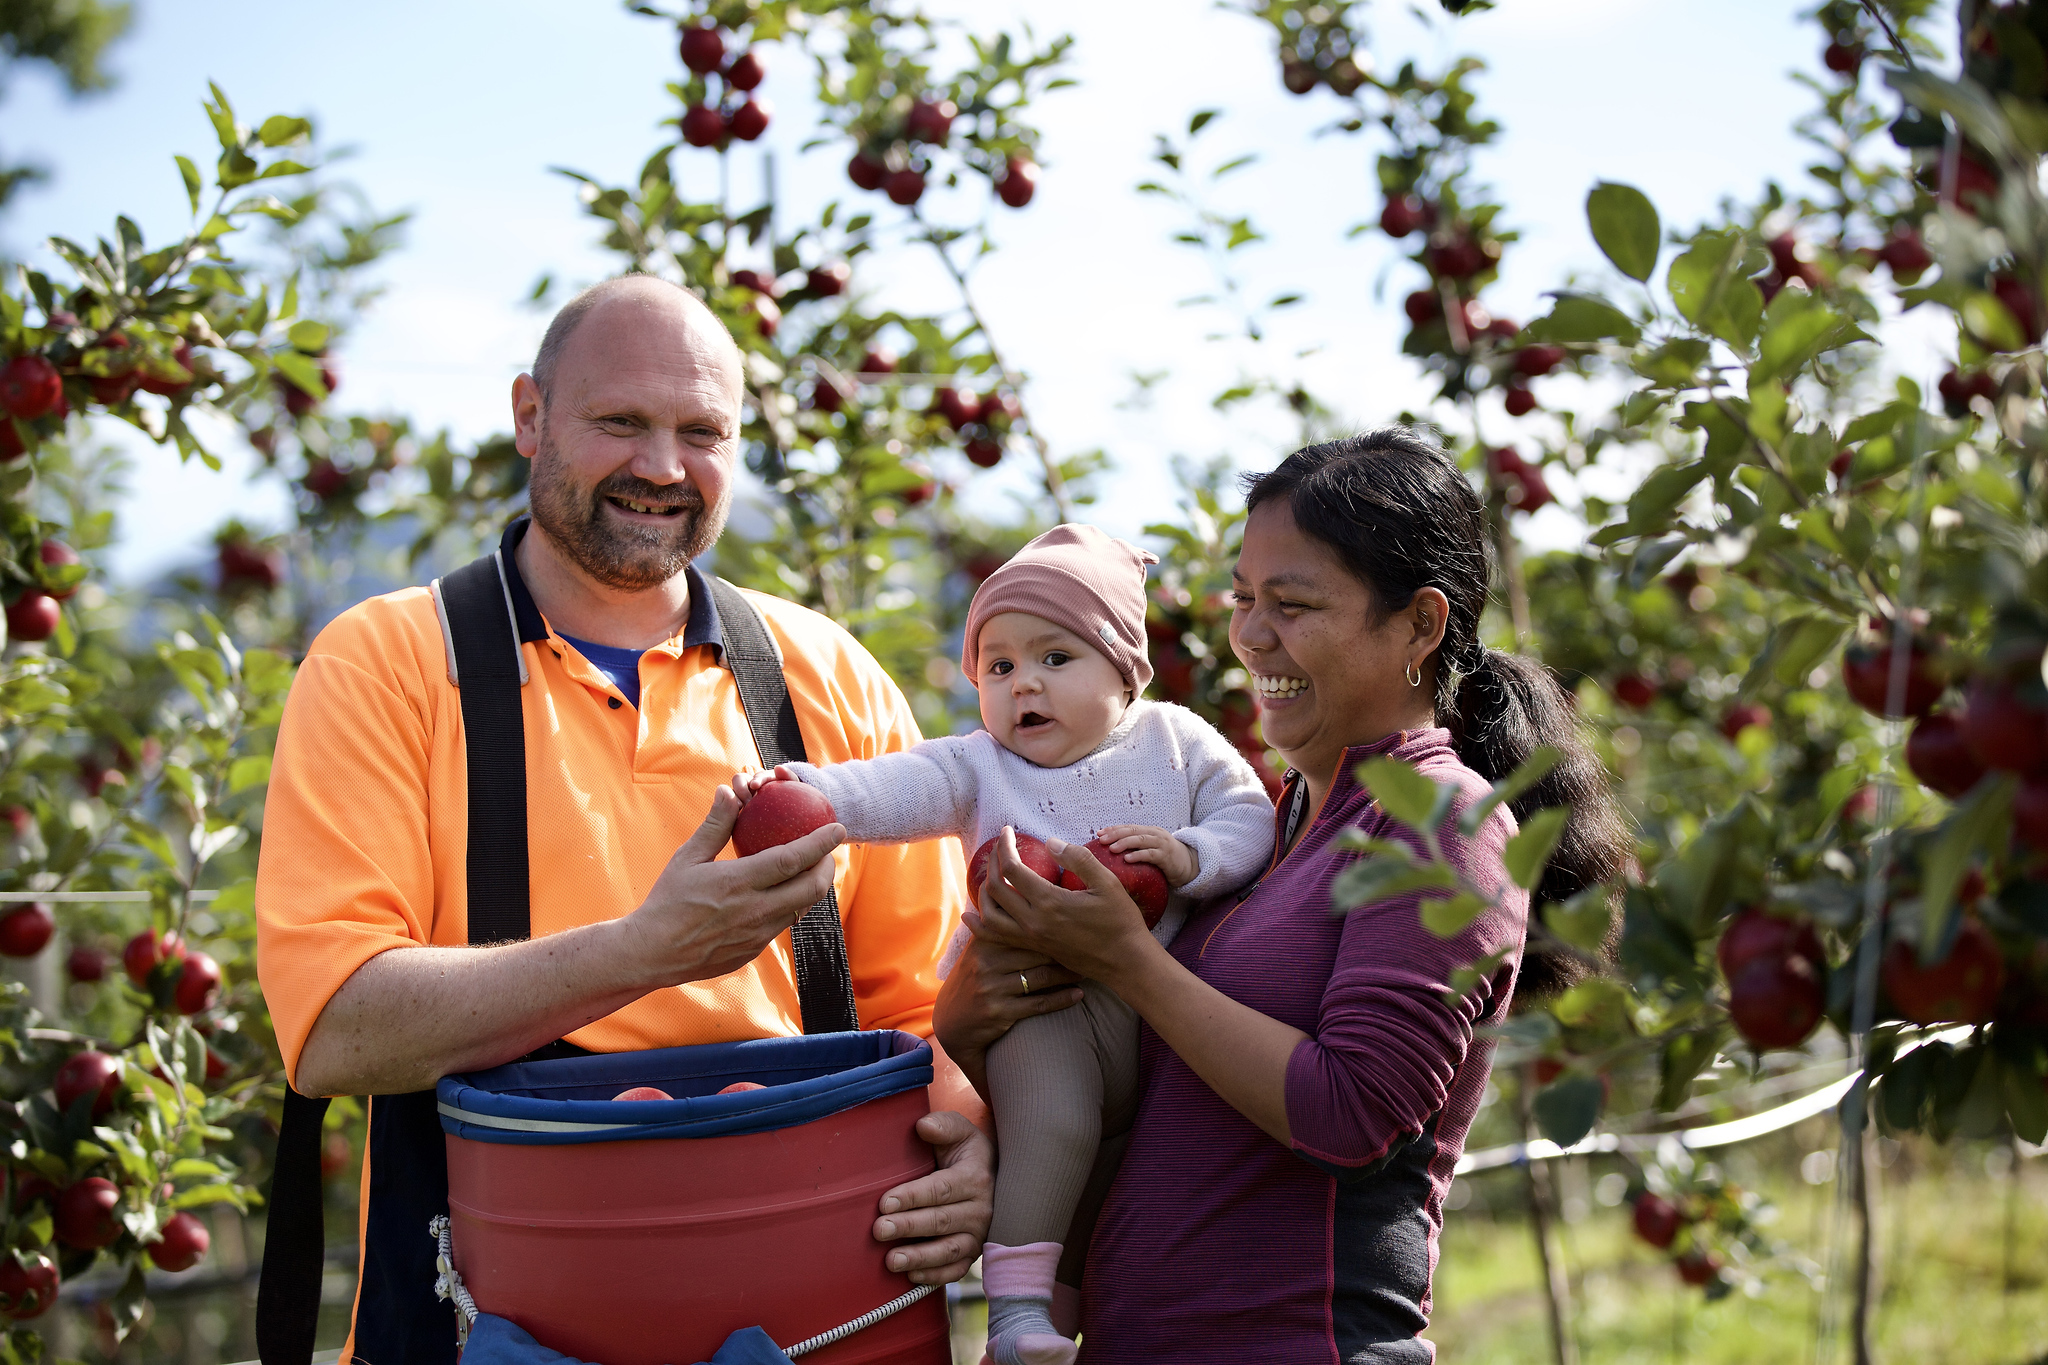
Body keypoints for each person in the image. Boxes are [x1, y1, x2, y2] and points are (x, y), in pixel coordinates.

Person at [254, 275, 992, 1360]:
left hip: (830, 1308)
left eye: (702, 432)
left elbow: (931, 1014)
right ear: (528, 416)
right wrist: (644, 952)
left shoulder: (828, 675)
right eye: (620, 422)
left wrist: (972, 1144)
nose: (661, 466)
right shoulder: (387, 664)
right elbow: (333, 1029)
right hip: (504, 1320)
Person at [935, 429, 1631, 1362]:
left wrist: (1130, 963)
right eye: (1245, 598)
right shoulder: (1258, 828)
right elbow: (1128, 1099)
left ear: (1420, 626)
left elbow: (1353, 1113)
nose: (1253, 635)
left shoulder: (1440, 825)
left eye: (1294, 604)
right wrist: (976, 1014)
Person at [736, 524, 1273, 1365]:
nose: (1024, 683)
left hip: (1162, 1017)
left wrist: (1192, 857)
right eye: (999, 666)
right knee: (1051, 1128)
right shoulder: (980, 766)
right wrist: (808, 791)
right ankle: (1017, 1319)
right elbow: (892, 785)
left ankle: (1059, 1309)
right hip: (1042, 1000)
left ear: (1126, 670)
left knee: (1112, 1178)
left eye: (1055, 658)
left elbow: (1251, 816)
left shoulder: (1179, 739)